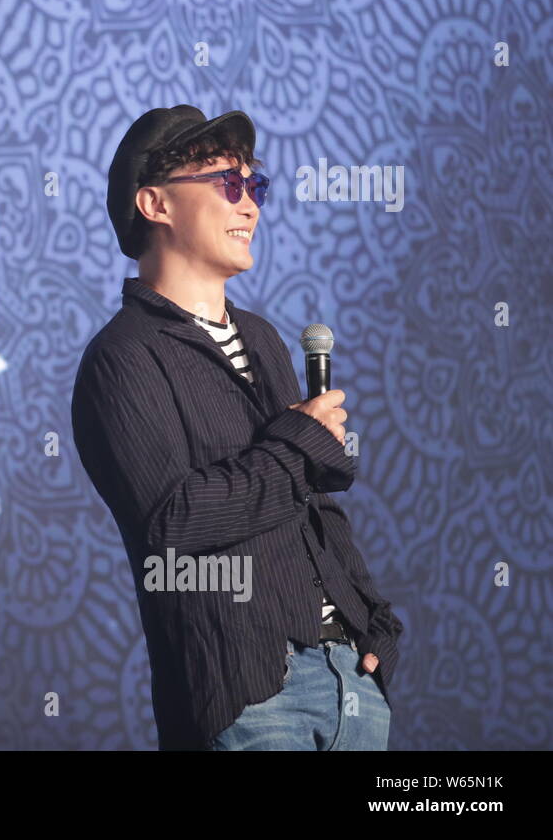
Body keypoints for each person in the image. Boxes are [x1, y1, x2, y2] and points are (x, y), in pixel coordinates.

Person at [71, 105, 404, 750]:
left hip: (351, 683)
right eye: (227, 183)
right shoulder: (123, 356)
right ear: (155, 203)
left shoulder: (263, 339)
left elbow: (315, 506)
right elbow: (173, 525)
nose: (250, 205)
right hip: (250, 694)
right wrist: (299, 443)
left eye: (257, 186)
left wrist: (376, 628)